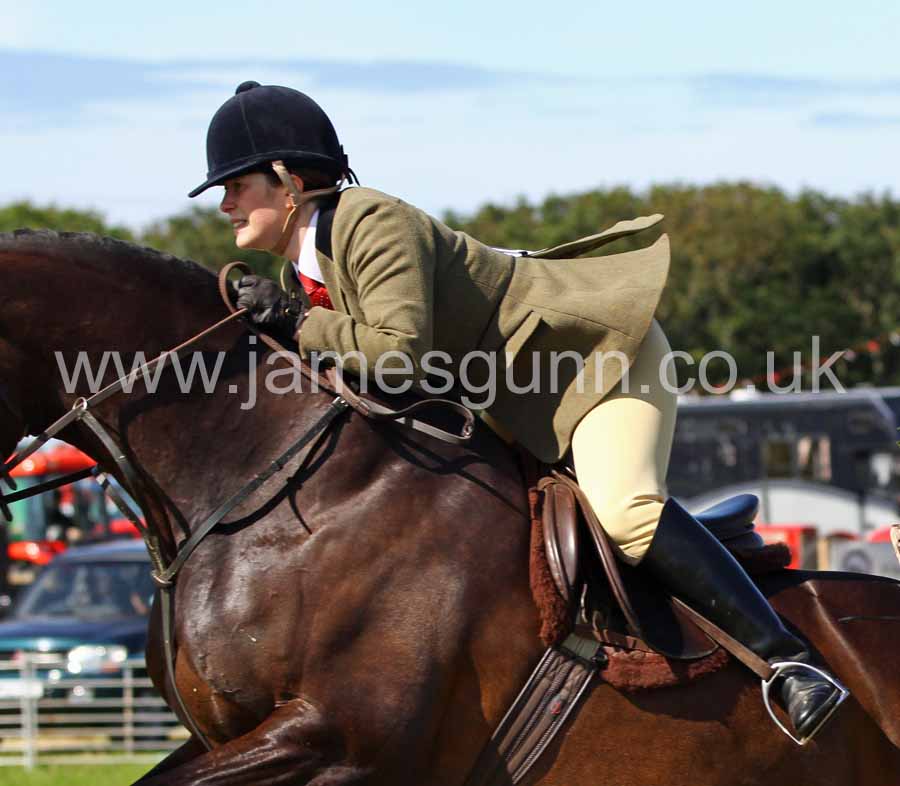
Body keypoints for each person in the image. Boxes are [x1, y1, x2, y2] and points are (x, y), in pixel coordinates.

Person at [188, 81, 847, 743]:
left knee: (624, 510)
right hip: (517, 398)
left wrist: (301, 325)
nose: (224, 205)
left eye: (235, 186)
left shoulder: (368, 221)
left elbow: (397, 356)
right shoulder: (303, 273)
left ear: (288, 179)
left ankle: (790, 662)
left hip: (595, 362)